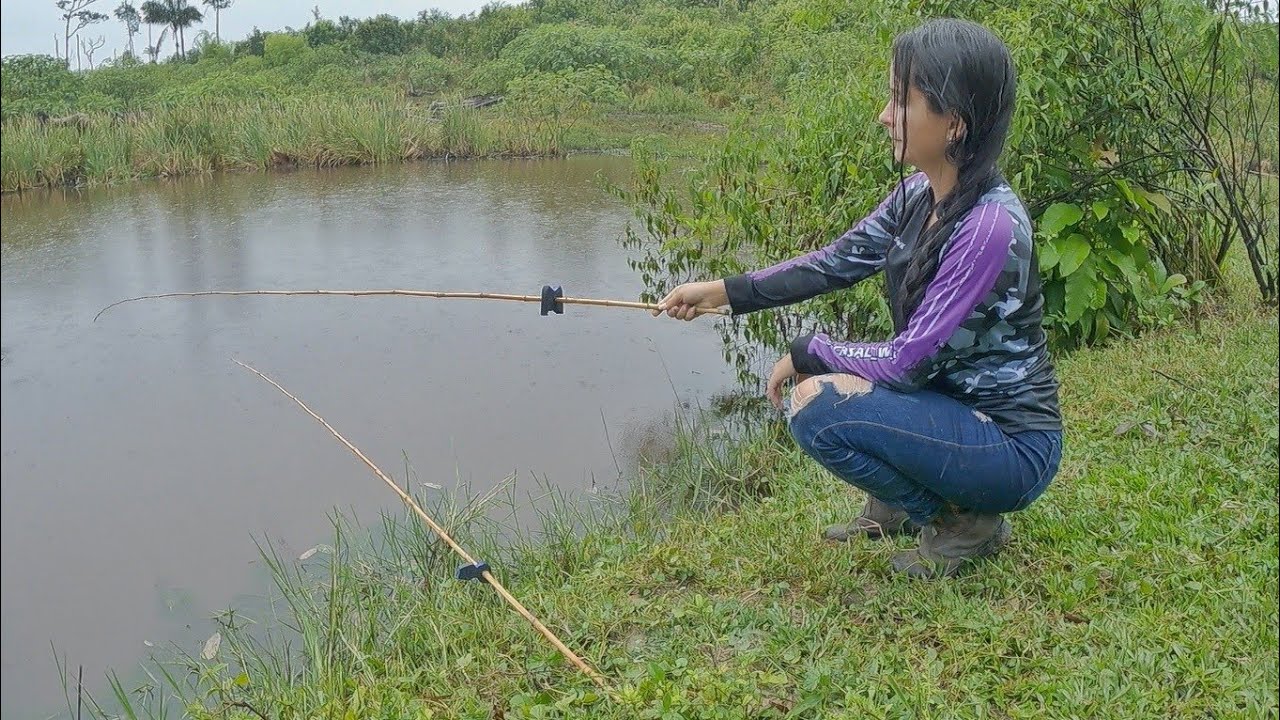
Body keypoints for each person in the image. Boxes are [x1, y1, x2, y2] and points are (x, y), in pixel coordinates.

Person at [653, 18, 1063, 579]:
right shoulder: (922, 194)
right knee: (825, 396)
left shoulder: (988, 227)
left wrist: (808, 351)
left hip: (1009, 443)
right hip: (949, 412)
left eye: (902, 101)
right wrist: (722, 293)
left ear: (954, 125)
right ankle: (898, 504)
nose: (885, 116)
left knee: (817, 405)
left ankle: (964, 522)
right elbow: (834, 263)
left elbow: (907, 360)